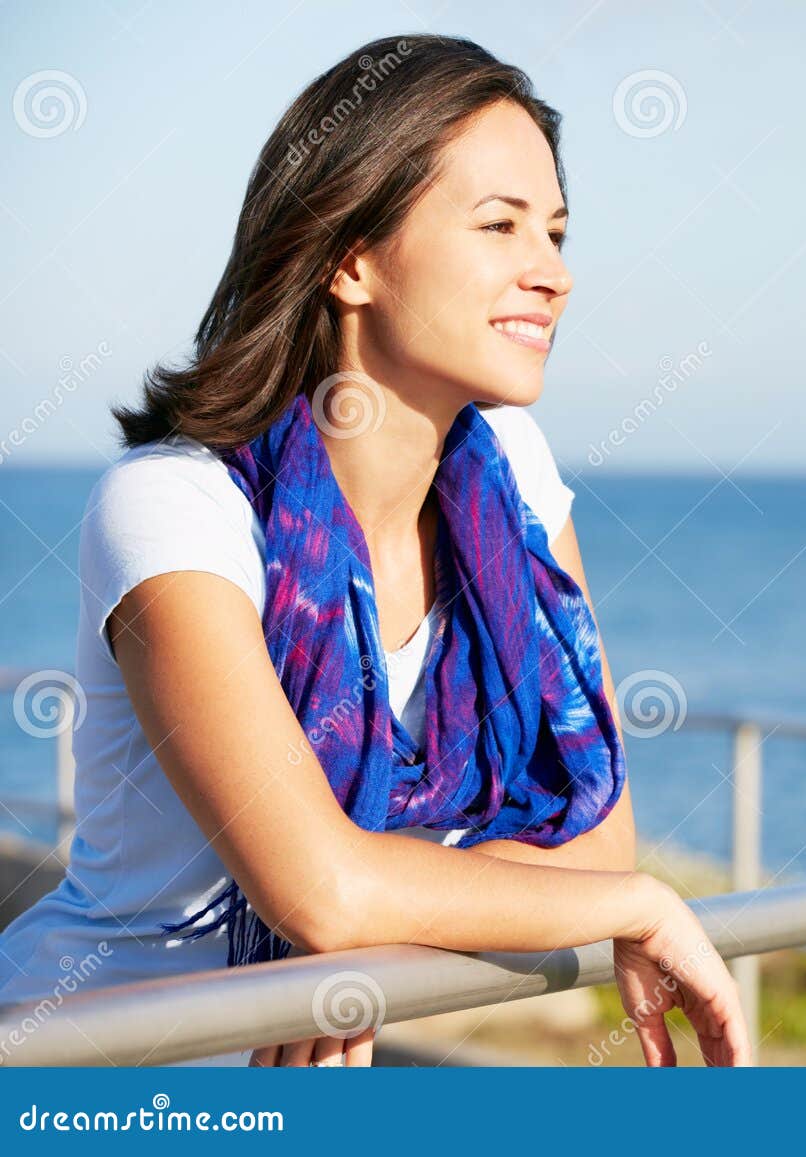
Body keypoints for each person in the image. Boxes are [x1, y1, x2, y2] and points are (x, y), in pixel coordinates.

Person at [0, 33, 748, 1069]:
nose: (554, 274)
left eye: (557, 232)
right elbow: (322, 887)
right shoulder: (176, 507)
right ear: (350, 257)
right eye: (500, 225)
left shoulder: (516, 479)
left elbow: (593, 831)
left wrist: (364, 938)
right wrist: (640, 906)